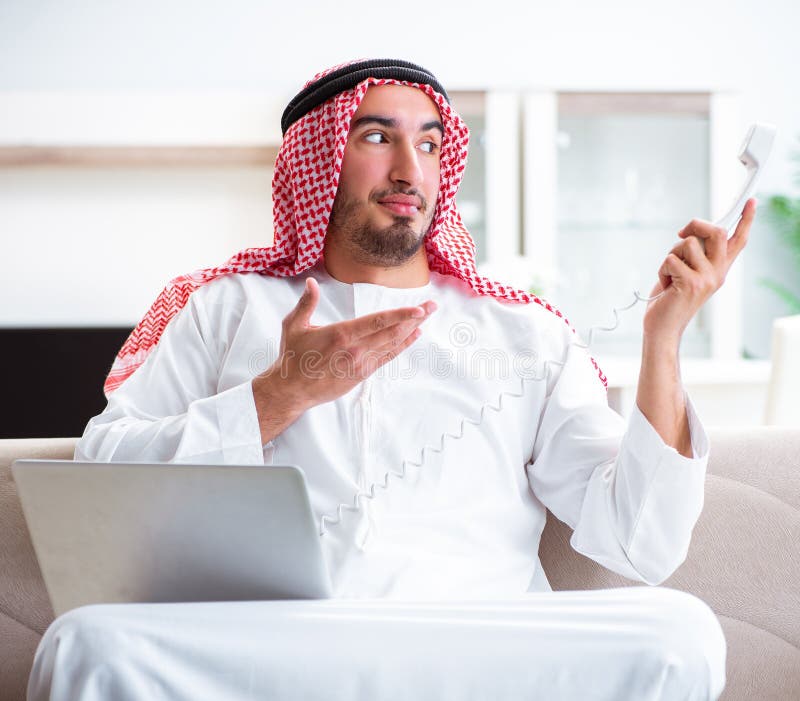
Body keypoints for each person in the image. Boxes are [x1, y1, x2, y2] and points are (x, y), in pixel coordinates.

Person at [28, 58, 750, 700]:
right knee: (85, 644)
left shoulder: (524, 330)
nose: (410, 169)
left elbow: (640, 542)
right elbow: (103, 469)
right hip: (280, 643)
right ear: (317, 160)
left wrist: (663, 340)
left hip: (478, 639)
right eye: (377, 137)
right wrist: (276, 397)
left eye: (430, 144)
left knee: (681, 632)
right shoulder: (225, 308)